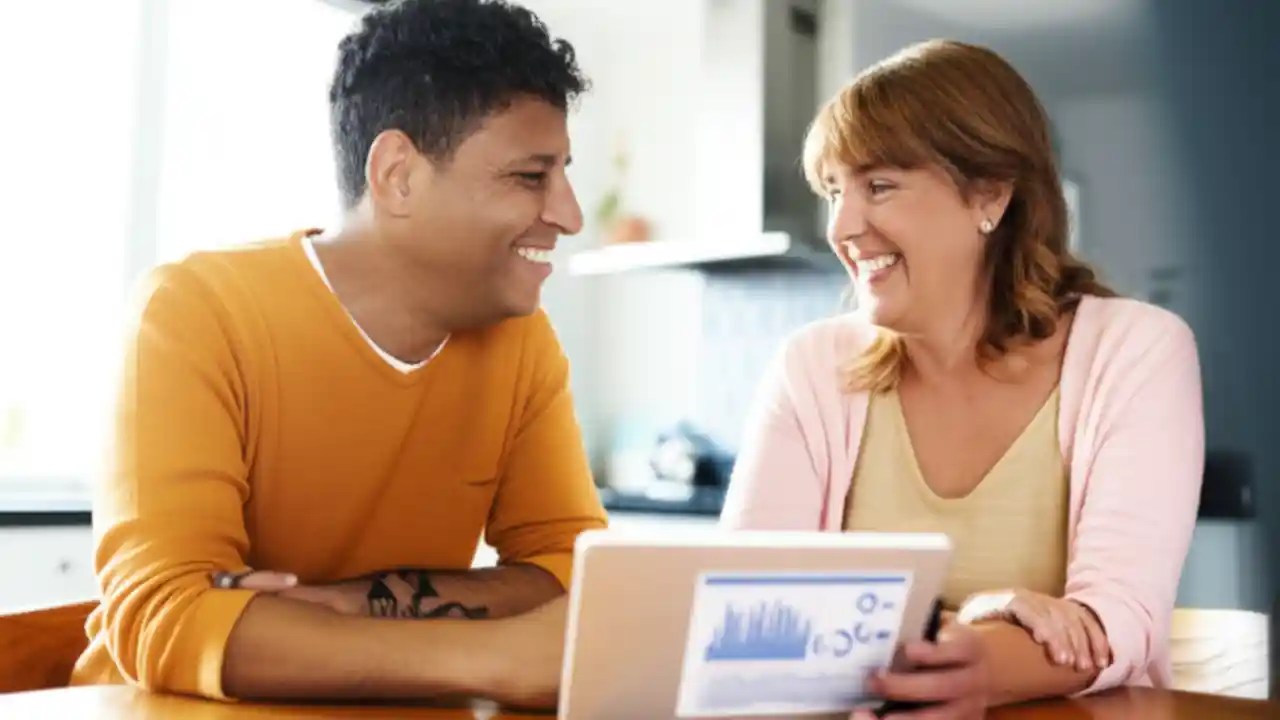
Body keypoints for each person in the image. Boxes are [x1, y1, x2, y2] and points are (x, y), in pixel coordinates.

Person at [70, 0, 605, 708]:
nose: (569, 214)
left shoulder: (523, 342)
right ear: (398, 175)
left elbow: (577, 575)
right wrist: (495, 653)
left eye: (563, 173)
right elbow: (165, 616)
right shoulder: (195, 311)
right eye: (530, 177)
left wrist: (348, 606)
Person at [721, 39, 1204, 717]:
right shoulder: (812, 368)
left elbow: (1118, 619)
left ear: (991, 194)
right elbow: (749, 611)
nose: (842, 226)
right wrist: (981, 623)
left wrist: (978, 663)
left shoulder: (1136, 351)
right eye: (834, 191)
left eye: (878, 186)